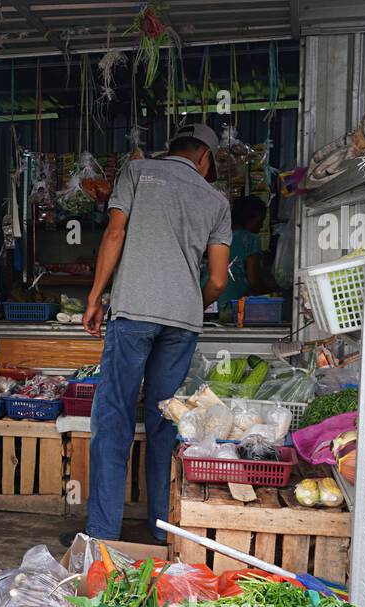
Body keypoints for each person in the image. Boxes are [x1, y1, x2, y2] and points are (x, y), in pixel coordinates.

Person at [80, 123, 231, 545]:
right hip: (182, 322)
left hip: (133, 312)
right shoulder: (216, 201)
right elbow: (218, 281)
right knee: (168, 422)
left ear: (176, 147)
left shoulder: (138, 172)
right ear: (205, 157)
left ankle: (103, 534)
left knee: (115, 418)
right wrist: (187, 304)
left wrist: (95, 297)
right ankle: (163, 531)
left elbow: (114, 233)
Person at [205, 195, 272, 313]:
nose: (261, 227)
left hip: (208, 299)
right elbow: (254, 280)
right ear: (248, 219)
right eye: (259, 221)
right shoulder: (251, 239)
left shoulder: (217, 235)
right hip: (232, 303)